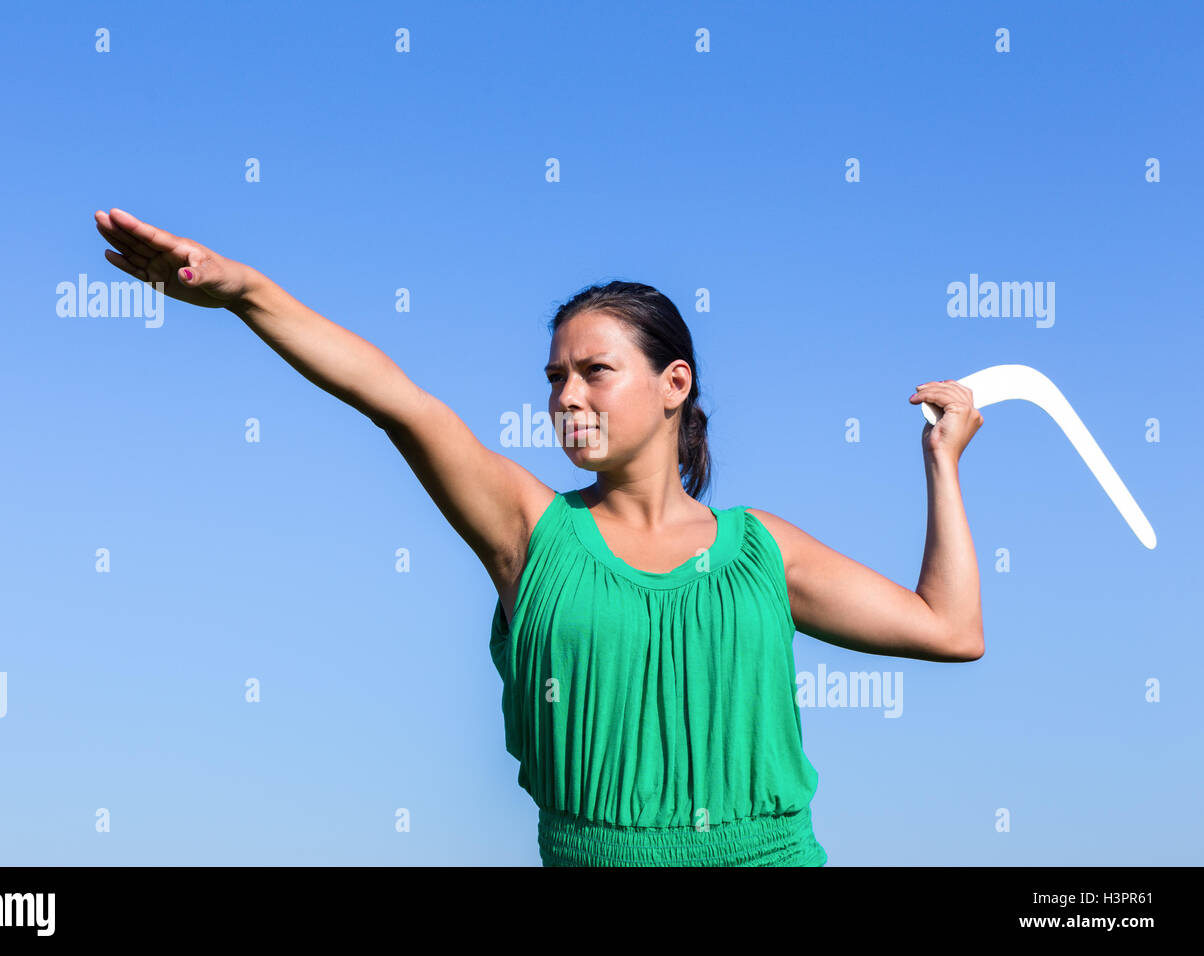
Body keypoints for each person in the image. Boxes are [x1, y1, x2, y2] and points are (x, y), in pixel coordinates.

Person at [93, 207, 987, 867]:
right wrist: (245, 291)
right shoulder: (533, 535)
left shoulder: (762, 554)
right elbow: (397, 401)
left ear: (674, 384)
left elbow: (950, 629)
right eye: (556, 376)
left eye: (597, 372)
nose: (567, 396)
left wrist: (942, 463)